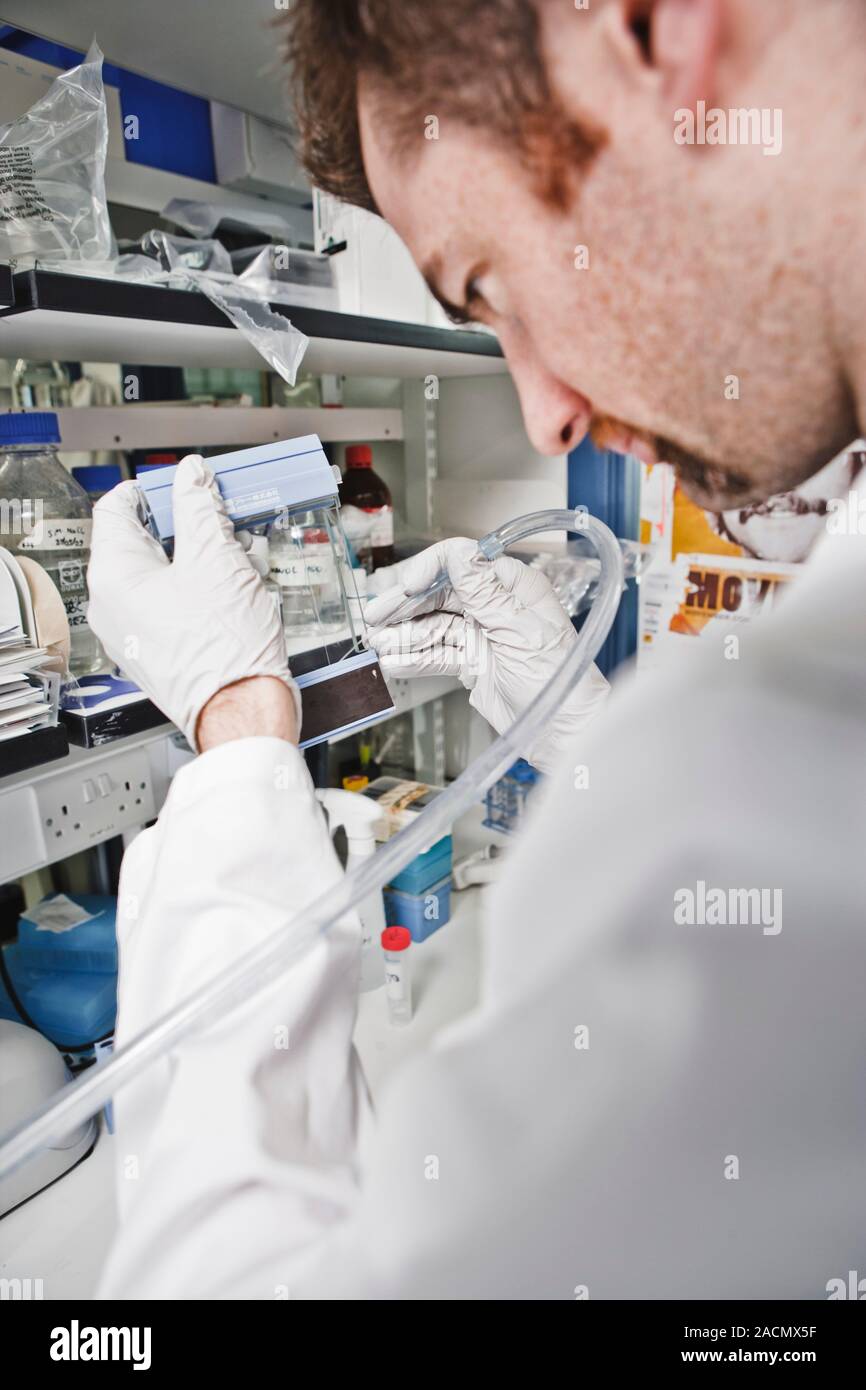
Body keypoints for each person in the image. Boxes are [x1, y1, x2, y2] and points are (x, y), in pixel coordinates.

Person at [90, 0, 865, 1298]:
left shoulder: (776, 756)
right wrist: (585, 750)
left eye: (489, 285)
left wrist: (234, 733)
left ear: (648, 29)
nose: (548, 413)